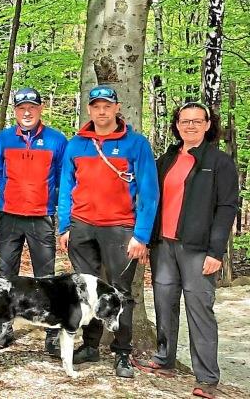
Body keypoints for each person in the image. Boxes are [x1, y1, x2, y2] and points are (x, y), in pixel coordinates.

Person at [133, 102, 237, 399]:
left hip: (198, 249)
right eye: (184, 121)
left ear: (207, 125)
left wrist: (216, 252)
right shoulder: (165, 159)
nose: (190, 126)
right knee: (165, 305)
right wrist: (144, 238)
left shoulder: (219, 162)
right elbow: (149, 198)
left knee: (199, 310)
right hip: (163, 246)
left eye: (197, 121)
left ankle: (206, 378)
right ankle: (164, 360)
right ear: (176, 125)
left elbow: (227, 207)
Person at [57, 84, 159, 378]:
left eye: (107, 106)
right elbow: (65, 188)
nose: (101, 111)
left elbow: (149, 193)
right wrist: (65, 226)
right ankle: (90, 346)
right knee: (85, 290)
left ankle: (123, 353)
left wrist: (141, 235)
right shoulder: (76, 144)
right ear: (89, 109)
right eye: (96, 106)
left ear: (116, 108)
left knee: (120, 292)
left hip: (120, 228)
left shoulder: (136, 144)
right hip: (82, 226)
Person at [0, 88, 68, 353]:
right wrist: (10, 191)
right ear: (15, 111)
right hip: (9, 215)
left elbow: (61, 175)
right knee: (5, 275)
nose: (27, 112)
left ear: (40, 108)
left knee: (46, 278)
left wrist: (47, 199)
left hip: (41, 216)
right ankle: (3, 327)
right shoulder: (4, 138)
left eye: (32, 107)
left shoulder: (57, 139)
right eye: (22, 107)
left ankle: (51, 333)